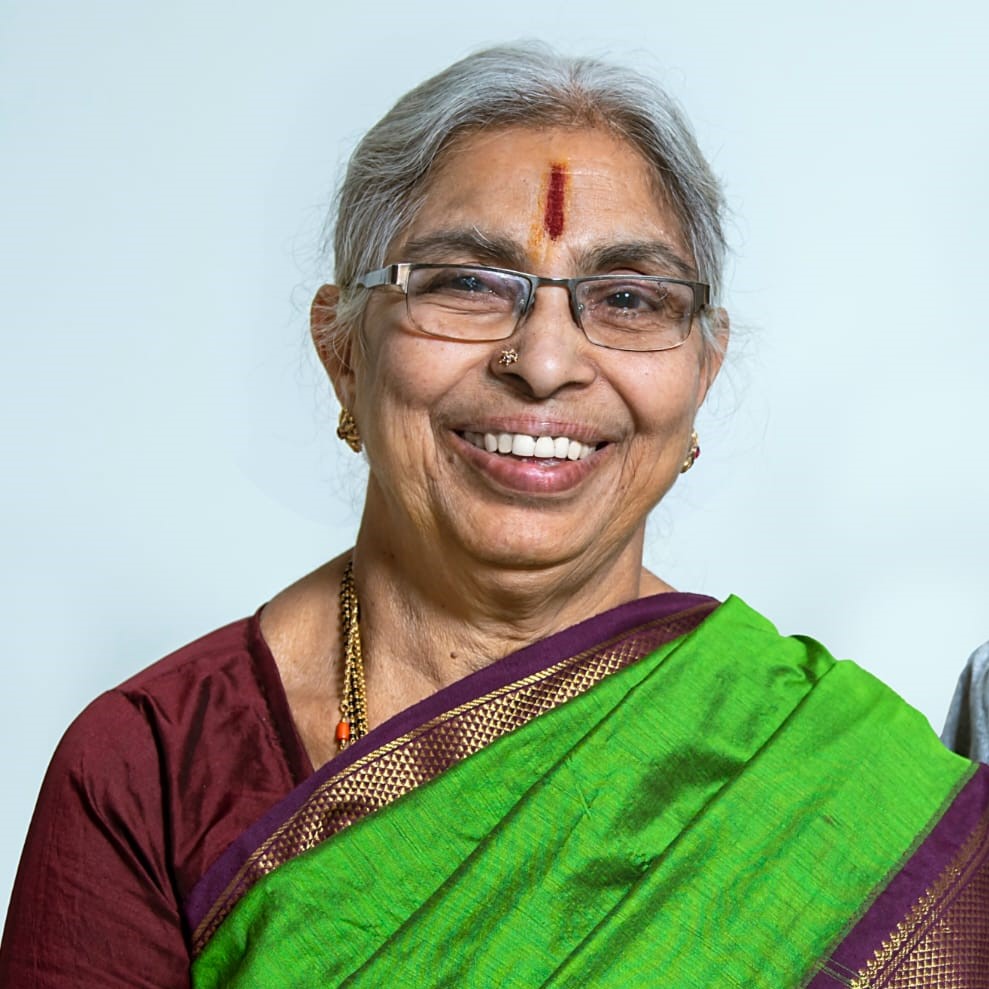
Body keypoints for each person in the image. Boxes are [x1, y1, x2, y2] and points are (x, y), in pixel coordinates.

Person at [1, 41, 986, 988]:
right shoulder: (159, 766)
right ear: (343, 350)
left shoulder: (825, 773)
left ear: (702, 368)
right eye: (466, 284)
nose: (545, 361)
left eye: (629, 296)